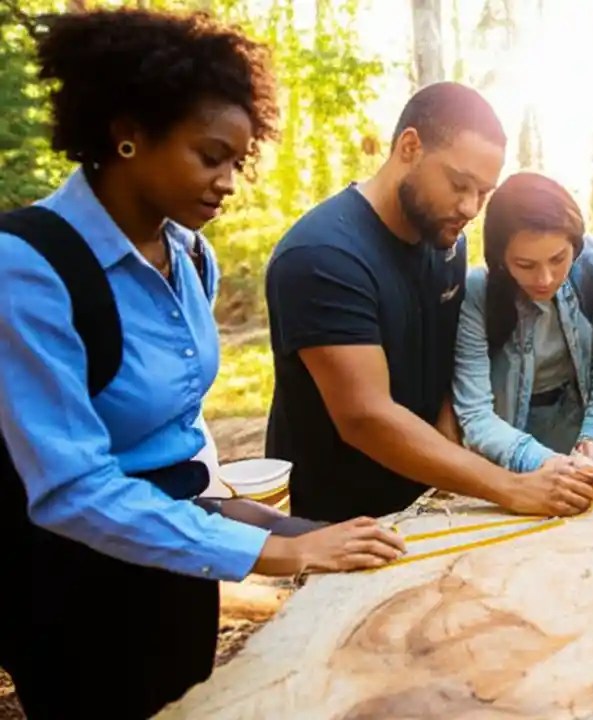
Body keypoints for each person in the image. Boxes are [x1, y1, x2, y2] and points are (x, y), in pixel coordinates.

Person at [0, 9, 404, 719]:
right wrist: (278, 555)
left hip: (179, 562)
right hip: (71, 582)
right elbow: (70, 489)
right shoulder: (28, 267)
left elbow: (176, 430)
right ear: (128, 134)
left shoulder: (189, 253)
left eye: (237, 163)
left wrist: (242, 515)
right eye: (209, 155)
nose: (227, 182)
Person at [266, 82, 593, 524]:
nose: (470, 207)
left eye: (484, 192)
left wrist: (454, 473)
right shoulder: (323, 256)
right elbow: (366, 416)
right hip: (343, 515)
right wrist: (509, 487)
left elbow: (444, 368)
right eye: (459, 184)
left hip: (433, 499)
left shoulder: (446, 242)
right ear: (410, 146)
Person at [452, 172, 593, 475]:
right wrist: (541, 461)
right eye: (526, 265)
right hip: (503, 437)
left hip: (571, 420)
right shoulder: (477, 293)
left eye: (558, 259)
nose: (545, 279)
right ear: (500, 259)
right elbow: (475, 412)